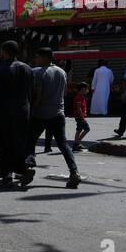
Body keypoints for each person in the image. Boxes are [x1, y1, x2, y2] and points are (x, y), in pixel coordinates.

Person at [0, 41, 34, 188]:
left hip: (4, 113)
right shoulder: (28, 69)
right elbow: (33, 92)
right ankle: (24, 169)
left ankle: (7, 176)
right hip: (24, 111)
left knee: (2, 145)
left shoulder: (2, 69)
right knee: (19, 143)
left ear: (4, 52)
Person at [27, 47, 80, 188]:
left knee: (30, 140)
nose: (36, 60)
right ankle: (74, 171)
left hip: (40, 113)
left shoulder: (38, 72)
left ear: (45, 58)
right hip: (58, 113)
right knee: (63, 144)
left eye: (38, 57)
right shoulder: (62, 72)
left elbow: (37, 95)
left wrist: (32, 110)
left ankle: (29, 167)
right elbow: (64, 92)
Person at [71, 81, 91, 151]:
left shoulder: (81, 97)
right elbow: (78, 108)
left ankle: (76, 144)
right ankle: (77, 143)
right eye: (86, 89)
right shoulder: (79, 97)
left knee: (79, 130)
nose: (87, 90)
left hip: (79, 117)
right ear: (82, 89)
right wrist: (83, 118)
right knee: (87, 129)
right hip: (80, 117)